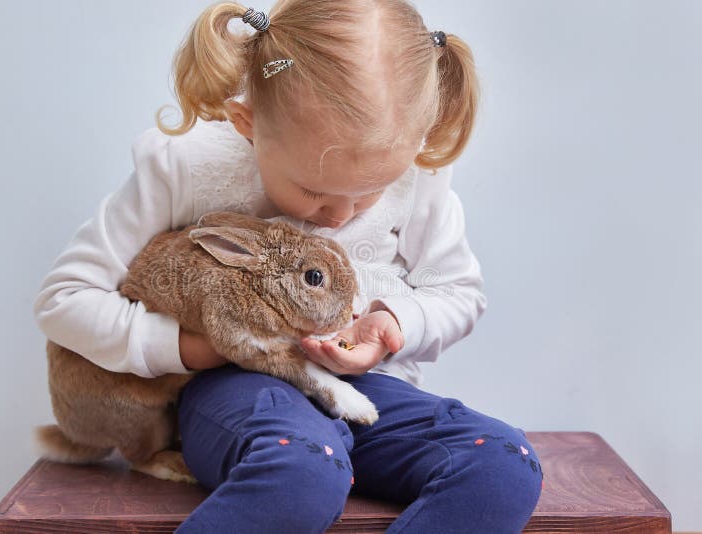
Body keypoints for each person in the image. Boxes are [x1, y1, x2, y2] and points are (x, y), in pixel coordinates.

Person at [32, 1, 543, 532]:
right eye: (314, 190)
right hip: (242, 398)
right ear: (248, 125)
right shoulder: (185, 165)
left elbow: (458, 290)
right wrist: (190, 348)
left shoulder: (417, 170)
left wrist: (391, 325)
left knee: (501, 462)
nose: (341, 215)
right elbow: (64, 298)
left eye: (371, 191)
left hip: (369, 392)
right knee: (301, 468)